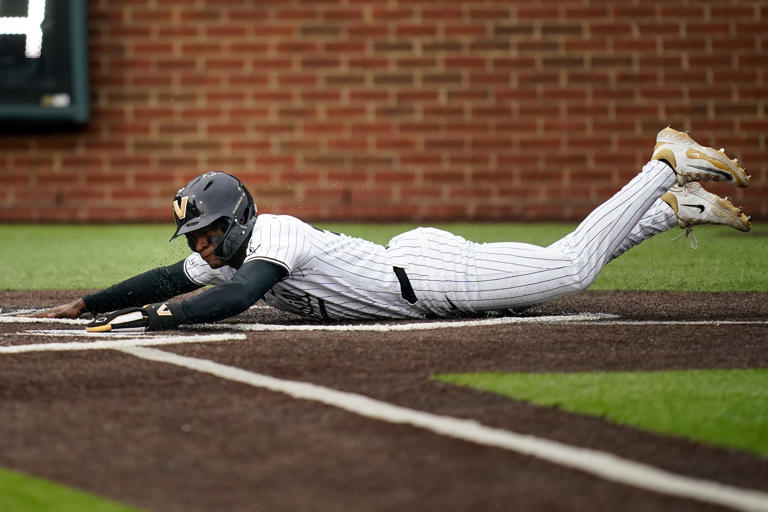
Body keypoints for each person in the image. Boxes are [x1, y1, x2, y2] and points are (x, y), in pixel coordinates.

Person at [33, 127, 752, 332]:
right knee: (547, 273)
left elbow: (233, 299)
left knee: (566, 270)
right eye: (198, 238)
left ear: (241, 219)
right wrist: (95, 303)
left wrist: (156, 320)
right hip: (417, 270)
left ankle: (664, 167)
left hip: (432, 278)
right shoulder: (228, 253)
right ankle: (671, 212)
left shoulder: (274, 236)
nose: (203, 247)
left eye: (210, 233)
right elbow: (171, 279)